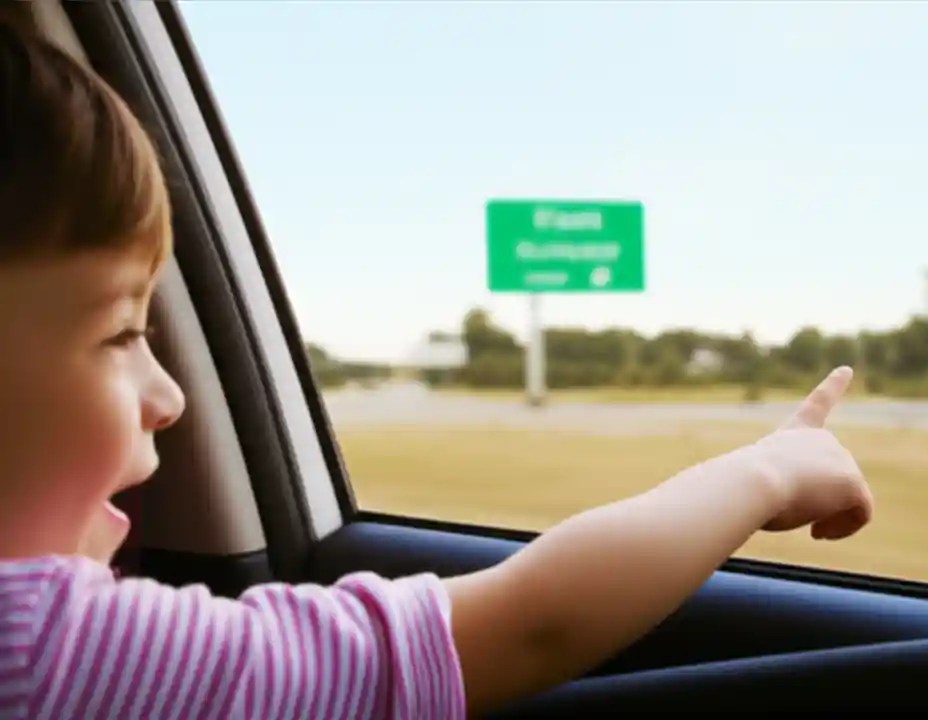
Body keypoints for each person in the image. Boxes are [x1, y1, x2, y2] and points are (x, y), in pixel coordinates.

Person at [0, 21, 873, 719]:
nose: (171, 394)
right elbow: (532, 624)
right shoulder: (46, 651)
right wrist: (765, 471)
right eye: (121, 333)